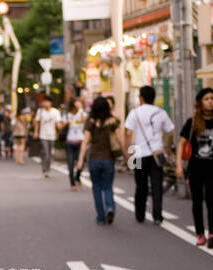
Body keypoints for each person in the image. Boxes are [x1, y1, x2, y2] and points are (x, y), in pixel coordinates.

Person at [178, 88, 213, 247]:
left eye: (212, 98)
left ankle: (212, 233)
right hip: (194, 168)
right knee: (197, 201)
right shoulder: (192, 122)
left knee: (211, 199)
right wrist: (178, 166)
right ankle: (200, 233)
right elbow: (181, 143)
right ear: (200, 103)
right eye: (206, 99)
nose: (210, 101)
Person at [125, 84, 174, 224]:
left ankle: (140, 215)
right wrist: (167, 146)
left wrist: (129, 156)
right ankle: (157, 216)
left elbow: (128, 134)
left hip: (139, 154)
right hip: (157, 152)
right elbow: (170, 131)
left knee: (141, 185)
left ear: (141, 98)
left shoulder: (134, 113)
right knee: (157, 184)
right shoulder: (161, 112)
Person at [77, 95, 121, 225]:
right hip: (108, 159)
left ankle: (101, 216)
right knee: (108, 186)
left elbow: (85, 141)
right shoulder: (113, 121)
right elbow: (120, 139)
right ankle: (110, 207)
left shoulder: (90, 121)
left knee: (96, 187)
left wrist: (80, 161)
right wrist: (127, 156)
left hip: (94, 159)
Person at [34, 96, 63, 178]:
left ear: (51, 103)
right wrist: (36, 132)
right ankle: (44, 170)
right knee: (46, 152)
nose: (45, 103)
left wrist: (60, 127)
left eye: (47, 102)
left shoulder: (55, 112)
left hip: (52, 135)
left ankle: (48, 169)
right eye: (44, 102)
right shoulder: (40, 111)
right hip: (43, 135)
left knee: (50, 154)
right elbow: (37, 122)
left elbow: (58, 123)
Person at [64, 97, 87, 190]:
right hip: (69, 142)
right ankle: (72, 184)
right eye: (76, 103)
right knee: (70, 164)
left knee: (81, 163)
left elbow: (84, 120)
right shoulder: (67, 115)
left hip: (80, 142)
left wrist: (80, 109)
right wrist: (64, 123)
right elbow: (60, 126)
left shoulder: (82, 113)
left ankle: (77, 177)